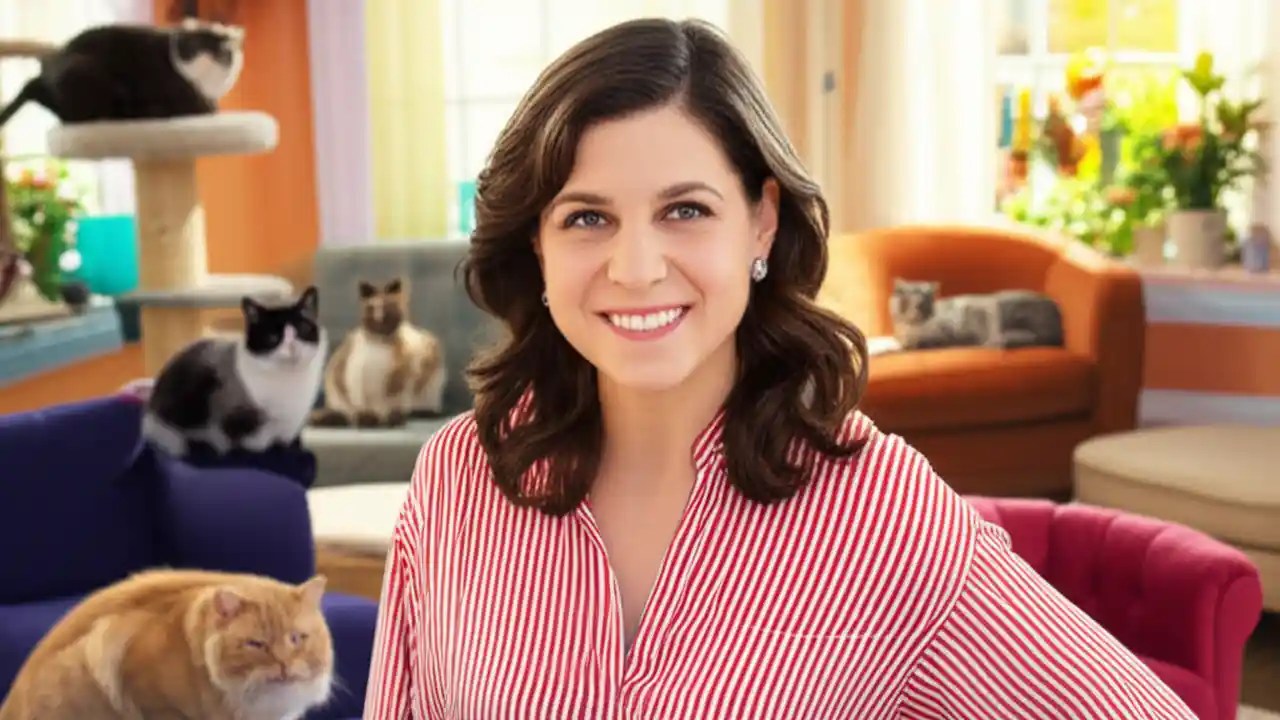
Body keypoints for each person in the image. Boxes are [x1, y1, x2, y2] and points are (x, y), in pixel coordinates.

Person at [364, 17, 1195, 719]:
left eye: (684, 210)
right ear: (536, 244)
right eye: (587, 218)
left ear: (760, 223)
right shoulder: (458, 478)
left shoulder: (881, 514)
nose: (637, 268)